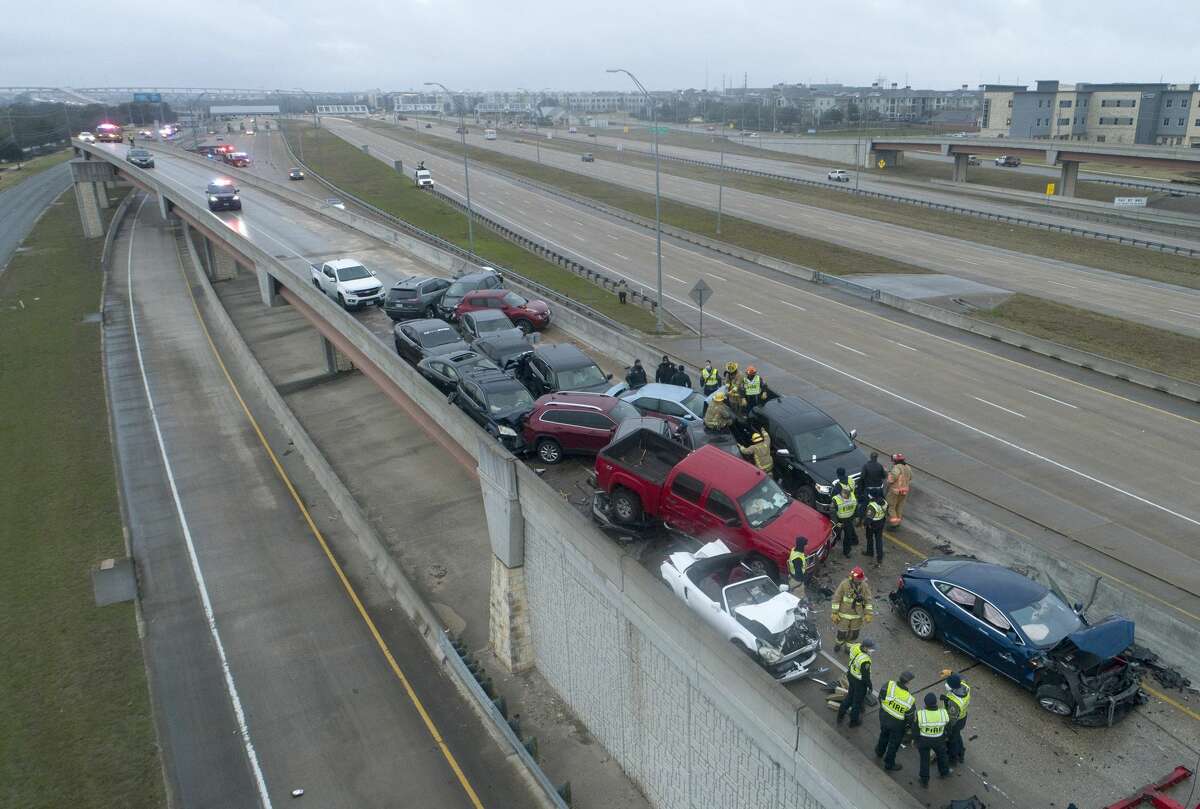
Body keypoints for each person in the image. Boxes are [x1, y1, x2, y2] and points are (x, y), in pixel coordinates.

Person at [875, 670, 915, 772]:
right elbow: (910, 717)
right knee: (893, 744)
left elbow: (880, 697)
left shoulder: (889, 684)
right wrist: (907, 727)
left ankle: (879, 751)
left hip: (884, 717)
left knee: (883, 735)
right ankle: (889, 764)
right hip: (897, 725)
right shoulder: (909, 699)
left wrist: (885, 709)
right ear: (908, 682)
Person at [830, 567, 873, 652]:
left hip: (857, 616)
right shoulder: (844, 584)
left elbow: (868, 600)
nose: (859, 581)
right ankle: (838, 644)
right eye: (858, 579)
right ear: (852, 577)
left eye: (860, 579)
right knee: (841, 633)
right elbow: (836, 598)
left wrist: (868, 614)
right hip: (843, 615)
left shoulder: (864, 586)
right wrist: (834, 613)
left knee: (854, 634)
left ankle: (848, 647)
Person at [915, 692, 952, 786]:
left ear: (925, 704)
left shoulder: (921, 715)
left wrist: (916, 740)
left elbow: (915, 729)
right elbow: (948, 728)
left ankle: (924, 780)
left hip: (924, 741)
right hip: (939, 740)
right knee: (942, 756)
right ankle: (944, 772)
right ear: (936, 703)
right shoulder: (943, 713)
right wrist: (945, 737)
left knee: (924, 760)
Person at [838, 638, 875, 727]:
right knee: (856, 703)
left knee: (849, 697)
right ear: (865, 648)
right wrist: (870, 685)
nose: (873, 650)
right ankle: (853, 722)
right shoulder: (865, 660)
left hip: (851, 676)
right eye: (871, 648)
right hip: (859, 682)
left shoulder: (856, 647)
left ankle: (840, 716)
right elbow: (865, 676)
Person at [942, 674, 971, 765]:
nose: (946, 684)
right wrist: (950, 673)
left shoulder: (954, 703)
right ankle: (961, 751)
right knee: (957, 735)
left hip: (955, 722)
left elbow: (952, 719)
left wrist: (947, 728)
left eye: (948, 683)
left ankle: (953, 758)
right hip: (963, 717)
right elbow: (958, 677)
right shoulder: (964, 686)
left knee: (952, 740)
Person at [832, 471, 859, 557]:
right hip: (848, 519)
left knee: (837, 532)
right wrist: (854, 517)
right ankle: (847, 551)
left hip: (840, 519)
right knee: (848, 534)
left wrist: (836, 522)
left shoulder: (837, 498)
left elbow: (832, 511)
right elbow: (856, 510)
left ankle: (834, 543)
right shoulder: (853, 498)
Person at [886, 453, 913, 527]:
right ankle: (898, 521)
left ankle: (894, 523)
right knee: (899, 506)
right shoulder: (907, 467)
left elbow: (891, 480)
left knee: (891, 507)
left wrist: (889, 474)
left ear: (895, 461)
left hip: (895, 491)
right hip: (904, 491)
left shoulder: (896, 468)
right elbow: (910, 477)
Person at [863, 491, 887, 565]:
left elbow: (868, 519)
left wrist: (865, 524)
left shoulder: (872, 506)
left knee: (870, 538)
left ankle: (870, 552)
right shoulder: (884, 502)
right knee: (879, 540)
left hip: (872, 525)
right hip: (881, 523)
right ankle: (880, 557)